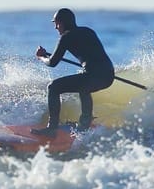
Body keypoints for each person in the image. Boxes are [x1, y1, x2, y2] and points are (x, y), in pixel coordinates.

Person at [32, 8, 114, 136]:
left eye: (57, 23)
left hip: (93, 75)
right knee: (83, 84)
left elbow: (52, 63)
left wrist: (41, 56)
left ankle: (52, 128)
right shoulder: (88, 31)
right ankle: (85, 122)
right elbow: (93, 55)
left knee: (53, 87)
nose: (55, 27)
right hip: (108, 75)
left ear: (63, 23)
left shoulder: (66, 37)